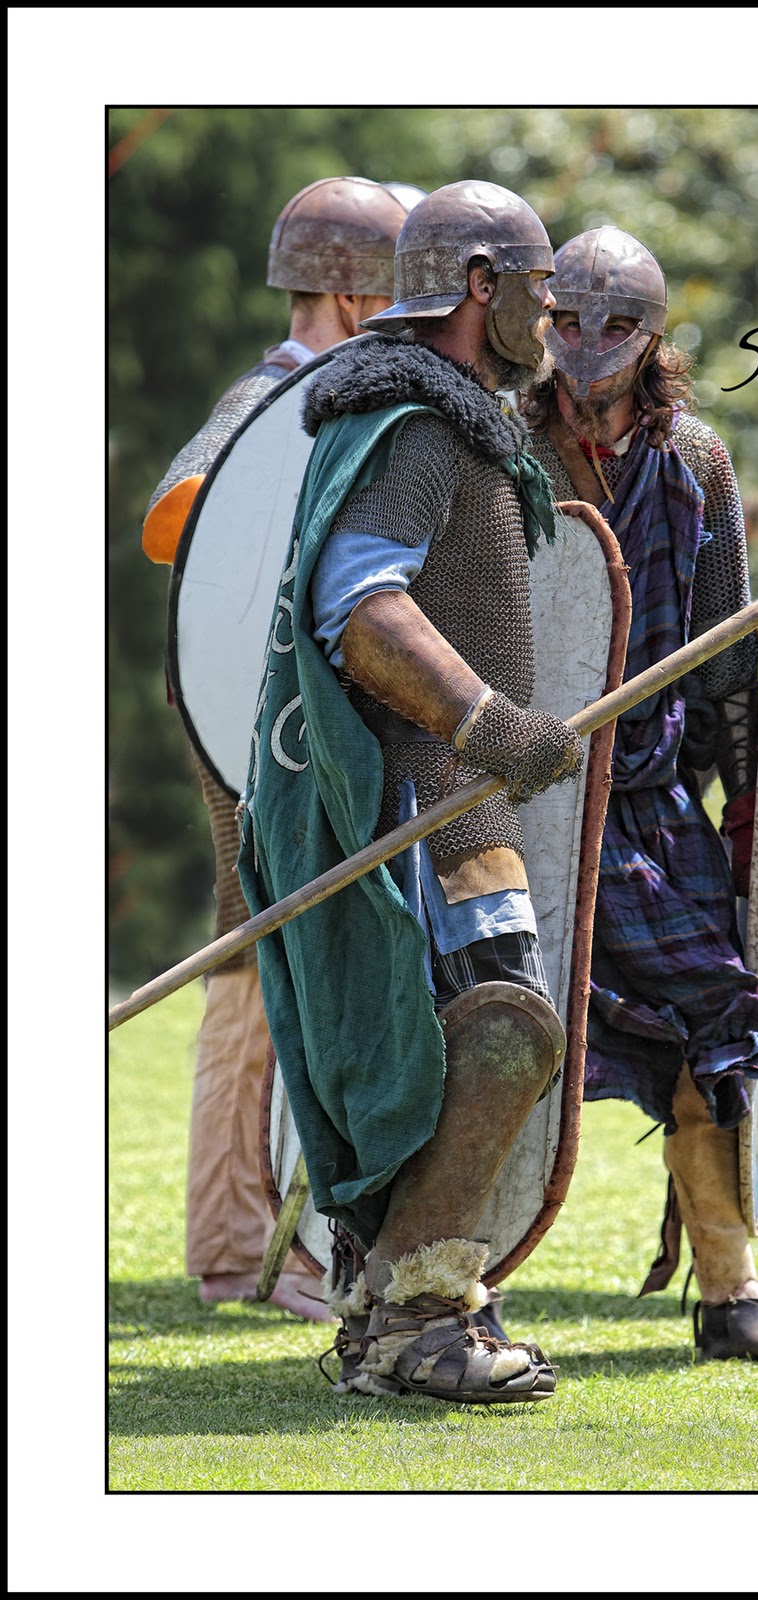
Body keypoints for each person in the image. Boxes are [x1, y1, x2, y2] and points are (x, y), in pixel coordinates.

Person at [237, 179, 585, 1403]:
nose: (549, 313)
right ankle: (413, 1317)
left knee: (487, 1037)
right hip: (412, 798)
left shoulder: (445, 420)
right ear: (480, 286)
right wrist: (485, 720)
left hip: (448, 796)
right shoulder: (415, 427)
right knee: (494, 1036)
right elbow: (362, 610)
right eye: (537, 289)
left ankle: (416, 1307)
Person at [522, 226, 758, 1366]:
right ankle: (433, 1292)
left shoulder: (695, 464)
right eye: (568, 321)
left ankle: (730, 1297)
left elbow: (729, 667)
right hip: (516, 793)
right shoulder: (499, 445)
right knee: (486, 1031)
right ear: (539, 323)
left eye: (614, 326)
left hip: (648, 799)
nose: (587, 348)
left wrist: (744, 808)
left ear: (654, 339)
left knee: (715, 1022)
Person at [143, 176, 426, 1322]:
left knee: (306, 958)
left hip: (307, 713)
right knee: (250, 955)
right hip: (253, 720)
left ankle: (300, 1240)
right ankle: (232, 1243)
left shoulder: (344, 394)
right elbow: (176, 518)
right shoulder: (273, 397)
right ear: (360, 295)